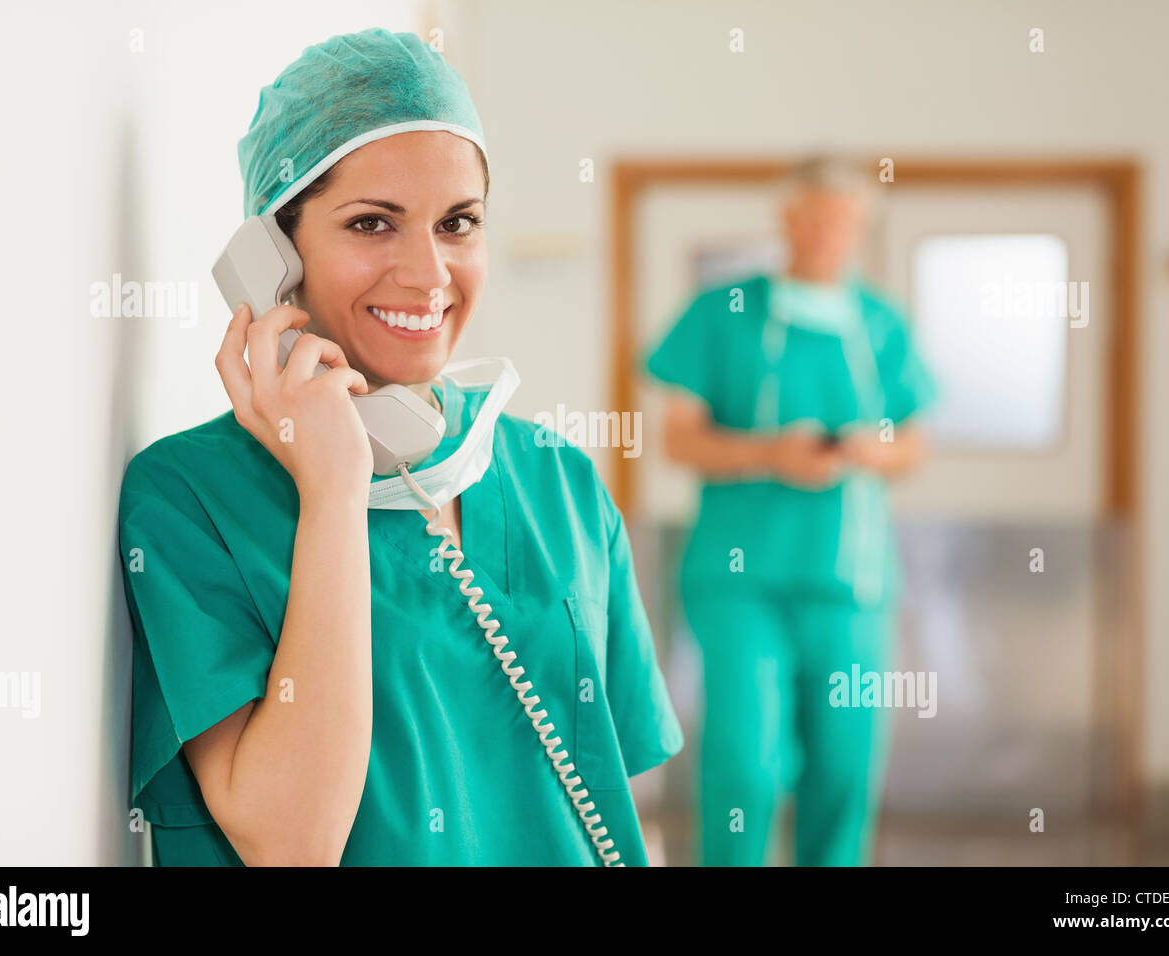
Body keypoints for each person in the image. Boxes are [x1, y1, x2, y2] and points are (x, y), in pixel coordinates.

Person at [118, 27, 682, 867]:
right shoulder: (187, 498)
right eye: (373, 223)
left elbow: (614, 802)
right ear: (270, 256)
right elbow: (290, 841)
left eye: (459, 222)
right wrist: (335, 492)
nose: (429, 273)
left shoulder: (559, 480)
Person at [641, 155, 937, 866]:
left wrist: (870, 449)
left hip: (850, 582)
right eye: (816, 218)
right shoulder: (724, 310)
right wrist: (774, 453)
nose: (831, 234)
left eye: (846, 222)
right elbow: (679, 437)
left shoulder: (880, 323)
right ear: (787, 220)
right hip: (740, 580)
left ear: (862, 228)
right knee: (745, 762)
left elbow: (914, 446)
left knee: (845, 765)